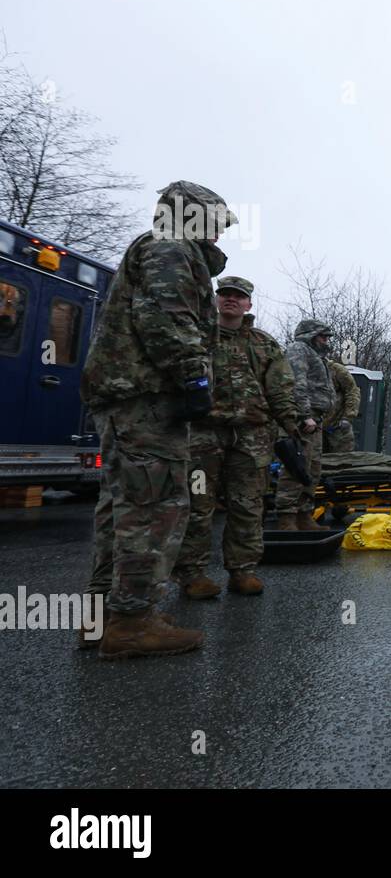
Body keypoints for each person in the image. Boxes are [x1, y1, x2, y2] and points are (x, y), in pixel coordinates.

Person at [80, 180, 233, 658]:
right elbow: (166, 318)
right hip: (147, 398)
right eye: (215, 224)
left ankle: (104, 616)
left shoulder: (160, 248)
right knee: (155, 503)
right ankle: (131, 621)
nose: (220, 236)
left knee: (122, 504)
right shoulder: (171, 248)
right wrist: (195, 379)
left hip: (129, 396)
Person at [173, 276, 303, 599]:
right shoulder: (198, 339)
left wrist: (292, 424)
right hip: (204, 435)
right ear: (217, 300)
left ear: (248, 304)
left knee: (247, 506)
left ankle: (243, 571)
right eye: (225, 294)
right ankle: (192, 574)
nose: (231, 300)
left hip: (251, 436)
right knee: (197, 505)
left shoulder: (264, 344)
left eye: (238, 296)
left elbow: (280, 388)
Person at [275, 318, 335, 529]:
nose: (326, 340)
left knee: (312, 470)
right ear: (311, 335)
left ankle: (304, 515)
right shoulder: (299, 350)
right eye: (323, 336)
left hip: (315, 421)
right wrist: (303, 415)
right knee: (295, 469)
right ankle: (286, 518)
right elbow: (296, 384)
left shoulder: (316, 355)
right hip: (303, 422)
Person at [323, 358, 360, 454]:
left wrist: (348, 417)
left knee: (342, 459)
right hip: (314, 426)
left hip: (337, 426)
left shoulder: (336, 370)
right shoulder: (305, 371)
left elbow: (352, 391)